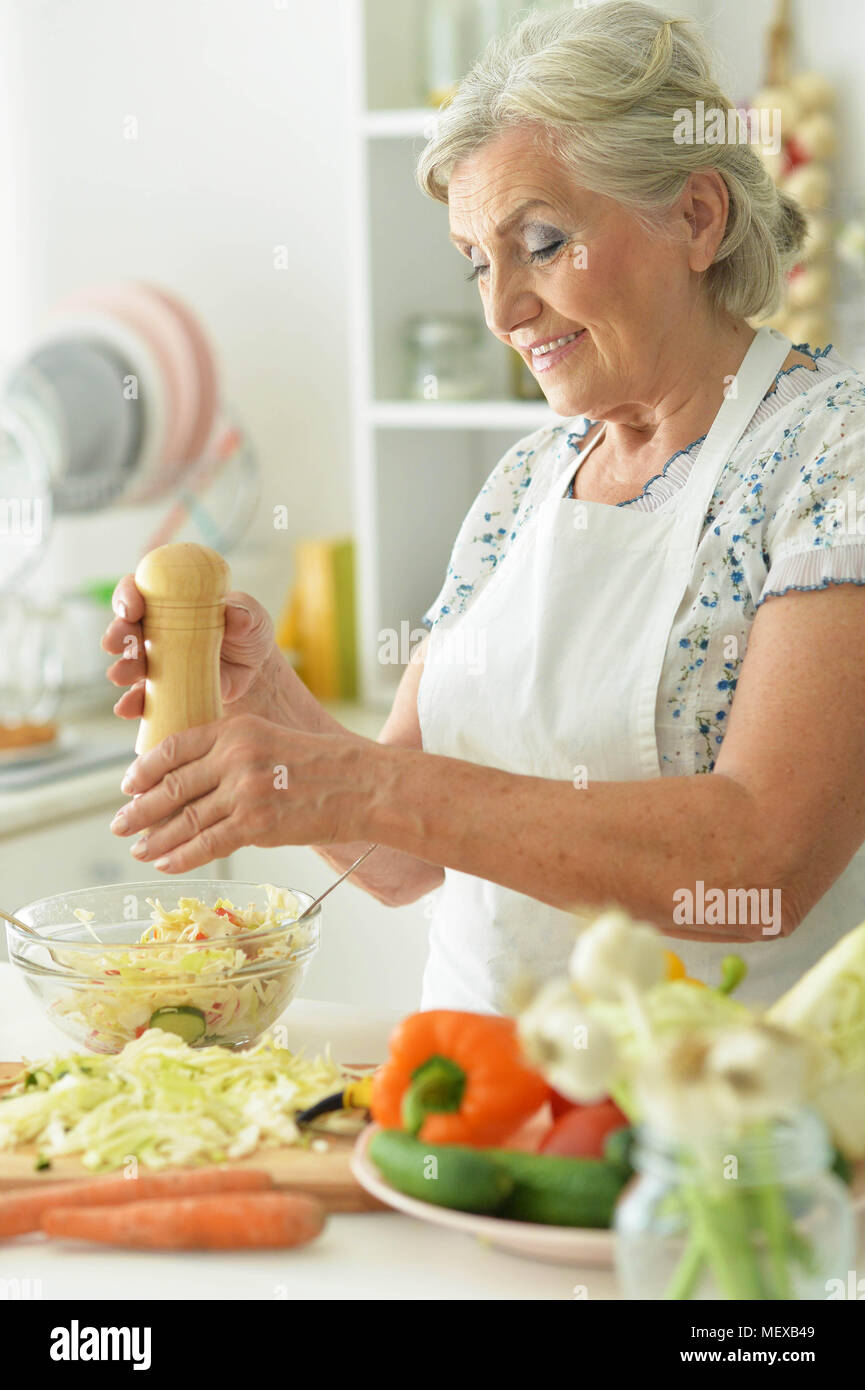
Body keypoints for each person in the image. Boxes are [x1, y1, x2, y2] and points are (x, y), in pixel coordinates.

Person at [102, 3, 865, 1010]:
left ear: (695, 216)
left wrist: (352, 783)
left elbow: (756, 867)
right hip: (461, 1108)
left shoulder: (832, 455)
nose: (500, 308)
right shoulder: (527, 479)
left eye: (541, 242)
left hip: (705, 1124)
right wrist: (260, 700)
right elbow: (398, 860)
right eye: (476, 261)